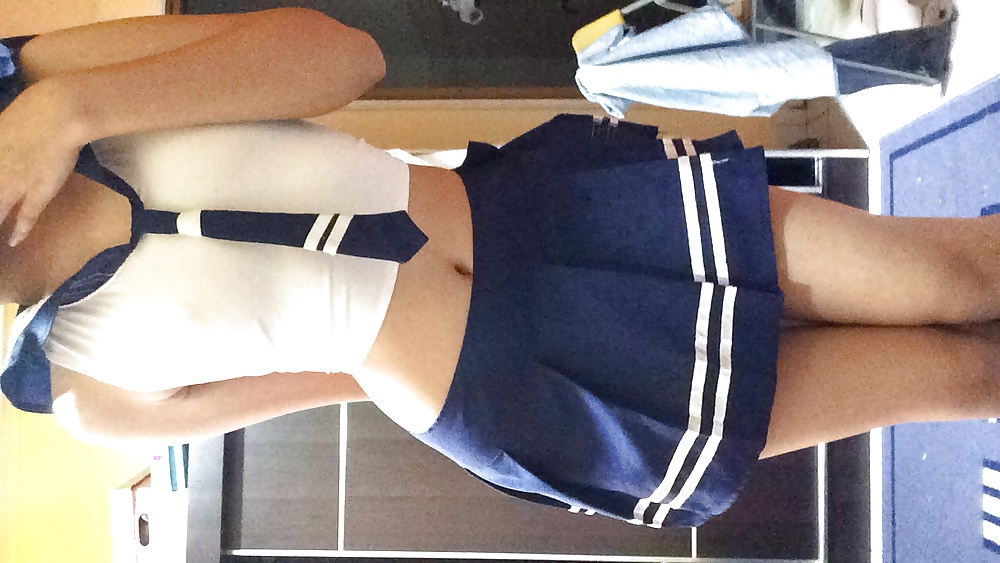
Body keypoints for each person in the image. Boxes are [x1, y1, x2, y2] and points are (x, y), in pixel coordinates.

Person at [1, 8, 997, 528]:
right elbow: (338, 380)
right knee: (961, 376)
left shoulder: (44, 87)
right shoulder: (82, 393)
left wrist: (70, 110)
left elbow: (343, 57)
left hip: (562, 215)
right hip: (525, 390)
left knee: (957, 277)